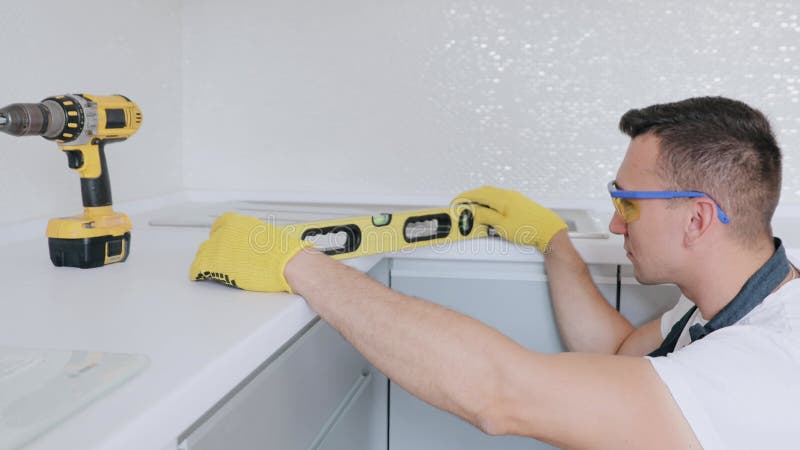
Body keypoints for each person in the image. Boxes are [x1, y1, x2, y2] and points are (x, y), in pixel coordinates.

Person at [189, 96, 799, 449]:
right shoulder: (723, 304)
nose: (616, 225)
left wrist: (295, 263)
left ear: (696, 220)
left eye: (628, 203)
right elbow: (616, 352)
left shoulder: (767, 361)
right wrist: (553, 242)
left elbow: (499, 396)